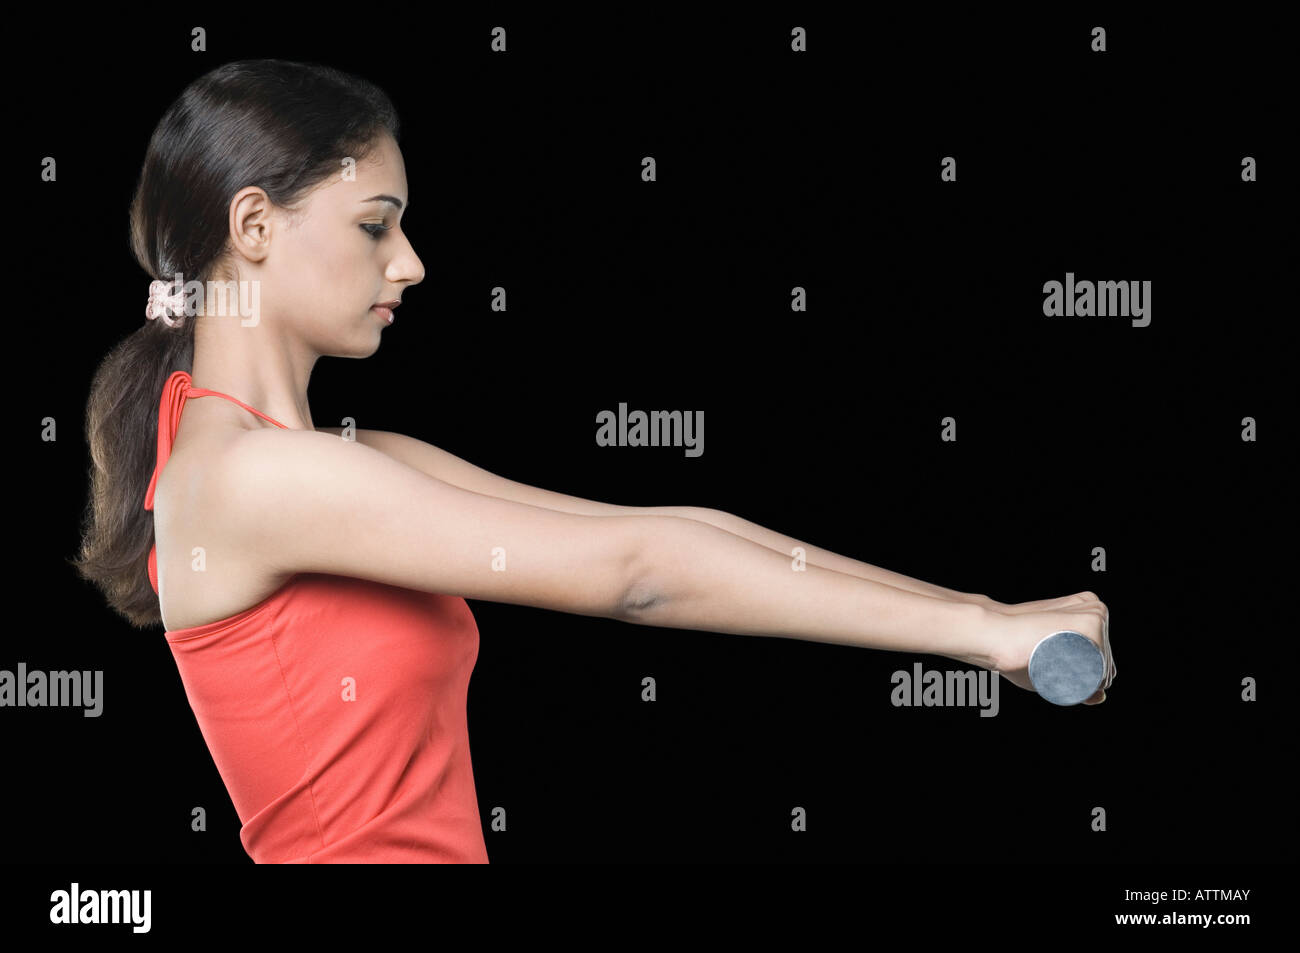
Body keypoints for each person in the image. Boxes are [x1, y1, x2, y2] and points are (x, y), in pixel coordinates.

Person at [72, 59, 1114, 863]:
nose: (412, 262)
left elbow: (665, 528)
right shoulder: (254, 479)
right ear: (252, 224)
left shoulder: (327, 463)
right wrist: (983, 637)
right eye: (374, 225)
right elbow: (635, 576)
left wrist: (990, 616)